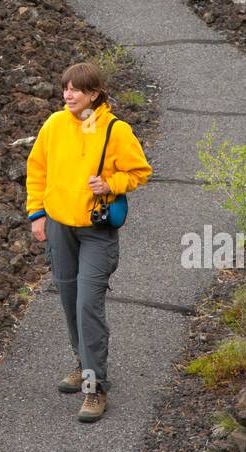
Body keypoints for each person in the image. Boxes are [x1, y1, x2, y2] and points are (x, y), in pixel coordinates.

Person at [26, 61, 152, 422]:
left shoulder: (115, 130)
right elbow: (38, 170)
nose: (67, 94)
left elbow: (140, 171)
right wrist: (38, 215)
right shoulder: (54, 124)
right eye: (65, 87)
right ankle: (83, 364)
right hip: (59, 229)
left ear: (93, 94)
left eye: (75, 90)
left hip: (97, 231)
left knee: (87, 305)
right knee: (68, 300)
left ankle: (95, 388)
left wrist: (111, 185)